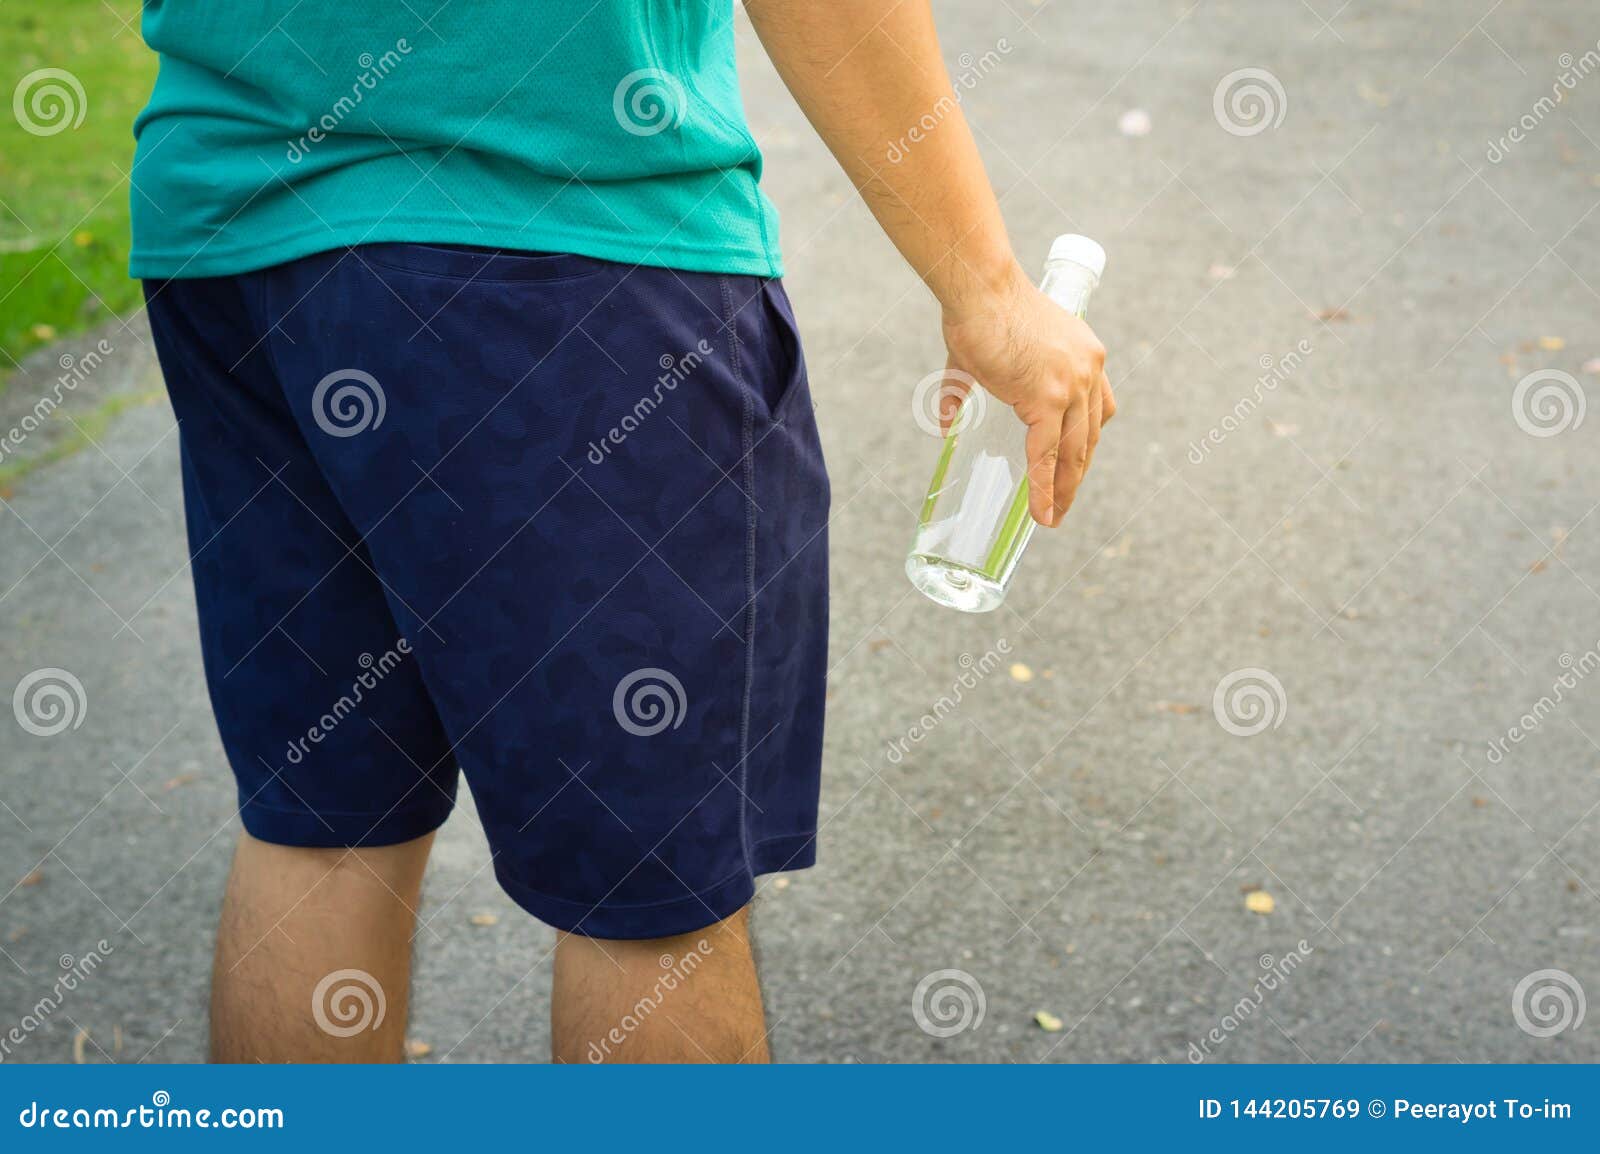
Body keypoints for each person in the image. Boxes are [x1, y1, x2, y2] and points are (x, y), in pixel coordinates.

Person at [130, 0, 1114, 1064]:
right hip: (563, 233)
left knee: (323, 831)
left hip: (233, 223)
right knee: (655, 904)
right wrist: (988, 288)